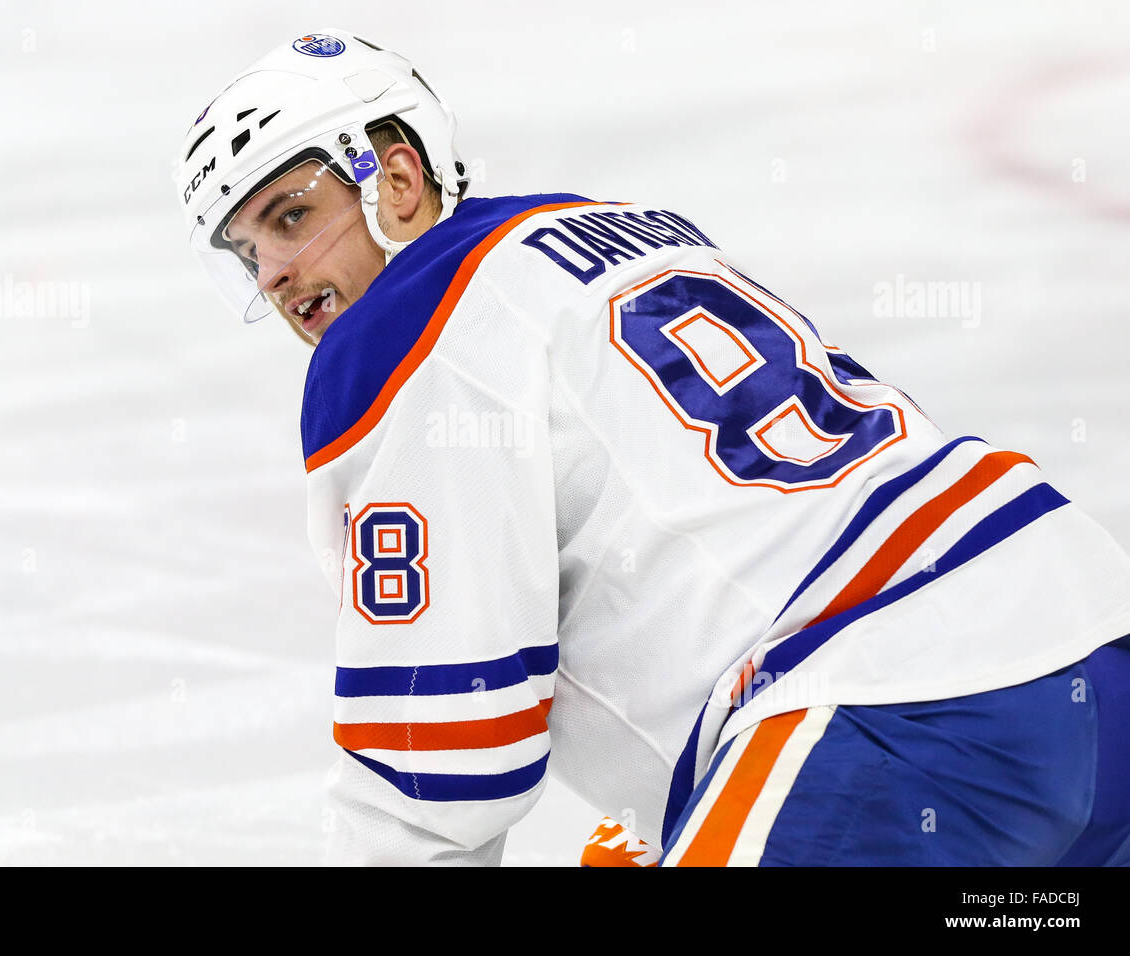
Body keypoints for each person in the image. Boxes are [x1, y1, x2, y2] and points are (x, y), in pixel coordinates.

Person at [175, 28, 1130, 866]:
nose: (278, 273)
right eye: (248, 251)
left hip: (893, 714)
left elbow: (439, 758)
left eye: (292, 216)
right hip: (1090, 642)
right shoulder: (621, 231)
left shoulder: (408, 333)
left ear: (397, 176)